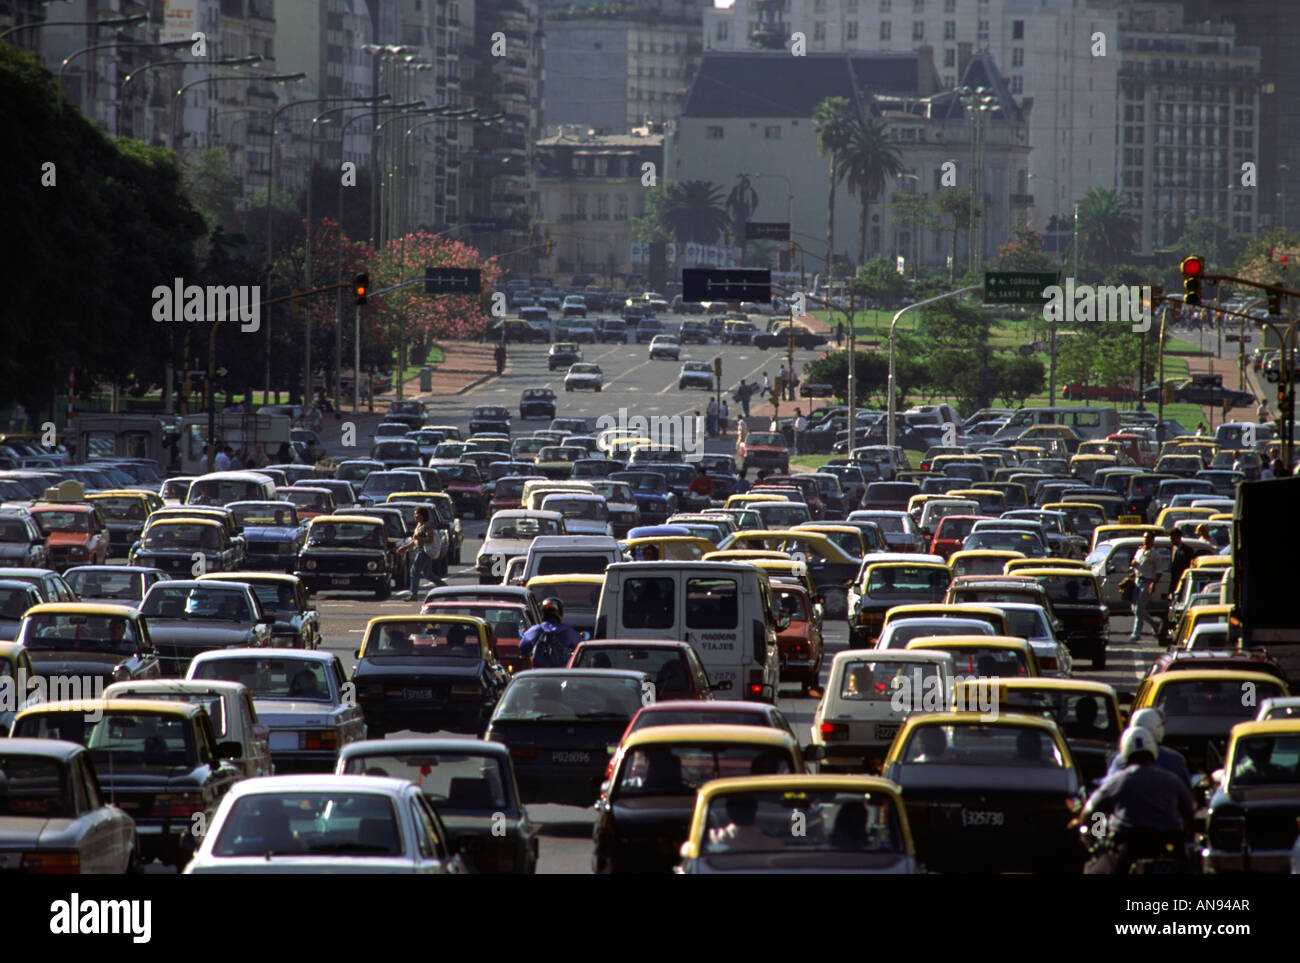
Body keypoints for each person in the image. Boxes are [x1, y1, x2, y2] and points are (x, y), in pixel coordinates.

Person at [1081, 725, 1196, 874]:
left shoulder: (1116, 780)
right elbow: (1189, 813)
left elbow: (1091, 811)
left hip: (1128, 846)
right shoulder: (1172, 779)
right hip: (1170, 845)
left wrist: (1095, 833)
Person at [1104, 708, 1191, 788]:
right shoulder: (1175, 760)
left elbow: (1107, 787)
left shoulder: (1118, 759)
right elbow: (1187, 794)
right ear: (1157, 727)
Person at [518, 597, 582, 667]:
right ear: (560, 613)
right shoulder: (567, 631)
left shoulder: (535, 630)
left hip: (538, 673)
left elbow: (522, 647)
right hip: (561, 673)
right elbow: (580, 648)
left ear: (543, 612)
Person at [1128, 531, 1164, 641]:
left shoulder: (1155, 555)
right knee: (1135, 608)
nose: (1145, 540)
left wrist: (1153, 583)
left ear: (1152, 540)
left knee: (1139, 607)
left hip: (1147, 582)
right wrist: (1133, 564)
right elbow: (1134, 564)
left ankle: (1136, 633)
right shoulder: (1139, 551)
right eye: (1144, 538)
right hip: (1137, 580)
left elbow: (1159, 571)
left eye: (1148, 538)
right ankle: (1155, 624)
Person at [407, 506, 443, 600]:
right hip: (420, 549)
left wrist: (419, 538)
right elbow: (415, 540)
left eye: (417, 514)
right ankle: (446, 588)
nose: (415, 516)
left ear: (422, 516)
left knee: (414, 571)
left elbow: (430, 539)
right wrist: (404, 547)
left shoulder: (427, 526)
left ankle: (413, 595)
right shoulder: (419, 525)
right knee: (428, 574)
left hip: (424, 551)